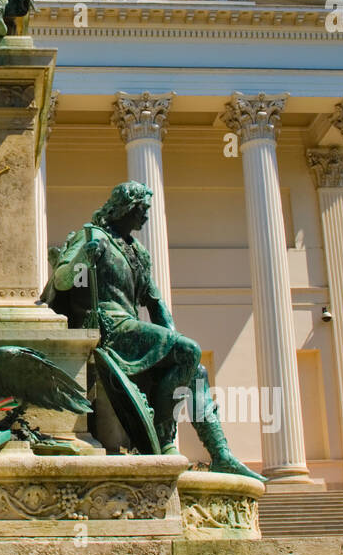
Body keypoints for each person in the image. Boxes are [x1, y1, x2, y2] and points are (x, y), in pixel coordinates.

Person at [45, 182, 264, 480]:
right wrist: (84, 258)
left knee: (195, 369)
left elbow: (156, 304)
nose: (146, 217)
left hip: (130, 329)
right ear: (127, 208)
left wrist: (173, 341)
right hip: (108, 328)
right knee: (188, 351)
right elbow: (61, 280)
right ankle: (162, 440)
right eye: (142, 210)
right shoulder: (93, 237)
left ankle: (221, 454)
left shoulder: (139, 253)